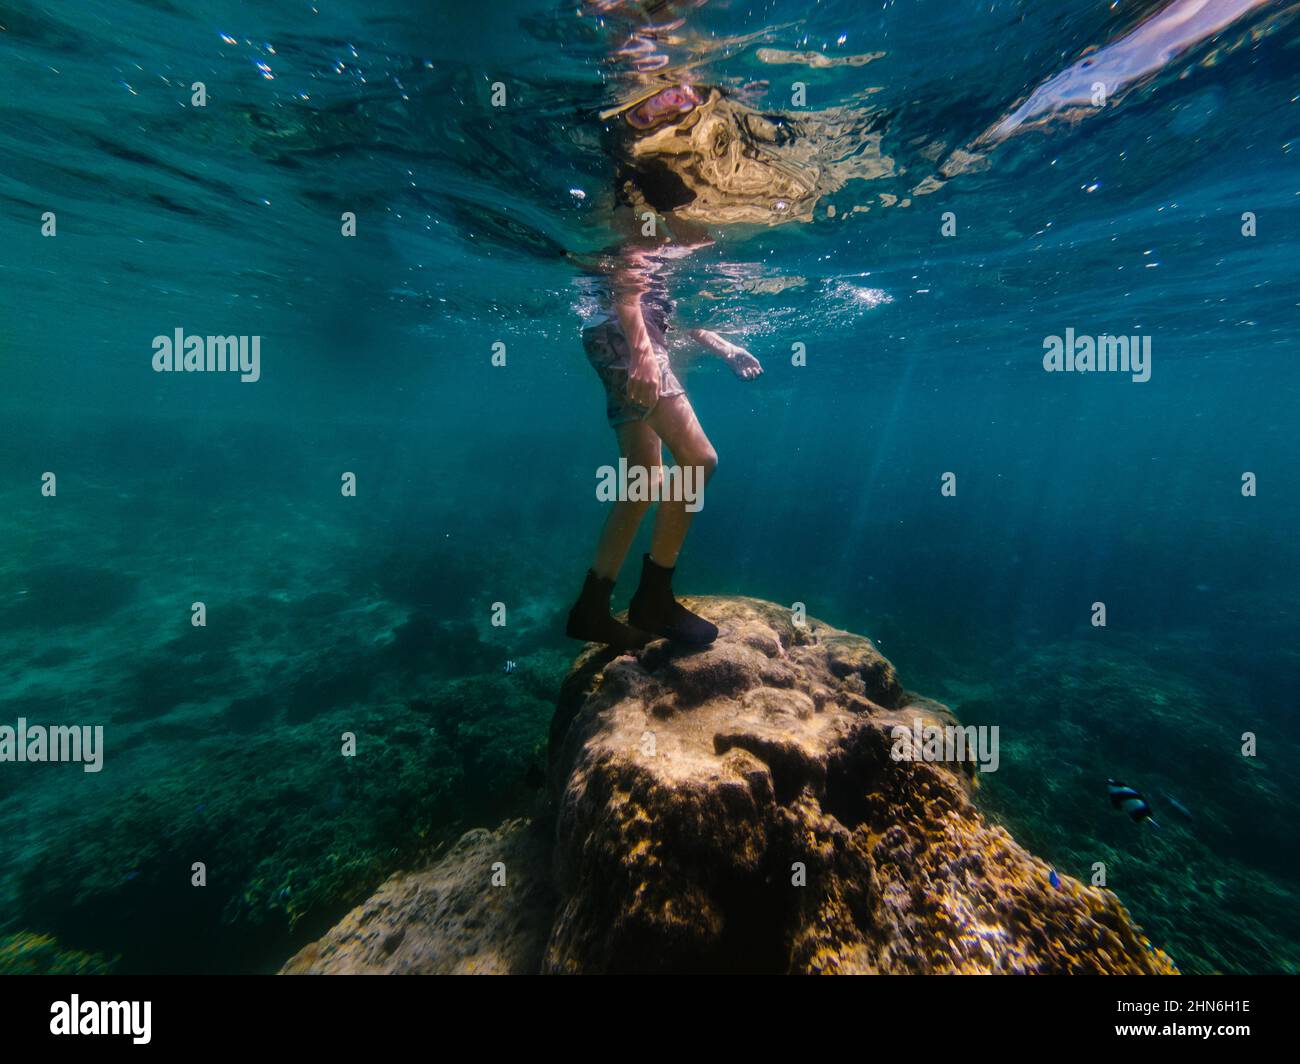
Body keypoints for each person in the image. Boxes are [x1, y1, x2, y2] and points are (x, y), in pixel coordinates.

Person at [565, 83, 764, 650]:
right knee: (698, 458)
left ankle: (592, 607)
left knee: (644, 480)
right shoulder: (638, 217)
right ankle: (653, 600)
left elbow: (663, 315)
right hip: (624, 339)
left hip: (616, 339)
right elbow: (629, 295)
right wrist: (645, 359)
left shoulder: (657, 226)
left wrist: (722, 346)